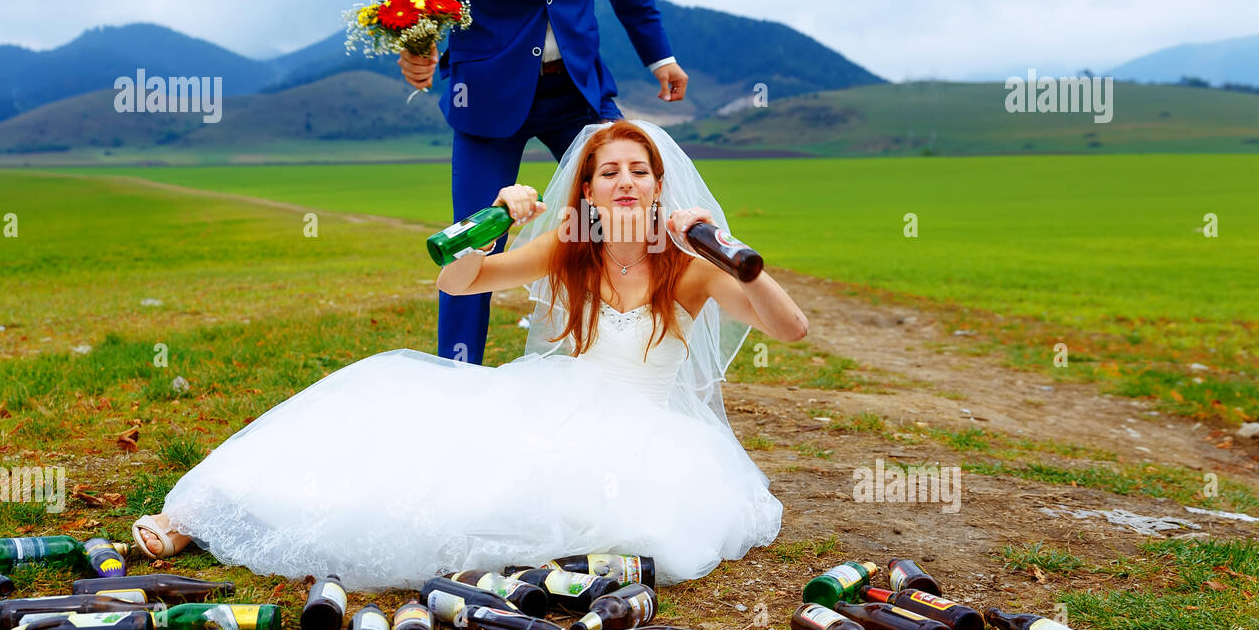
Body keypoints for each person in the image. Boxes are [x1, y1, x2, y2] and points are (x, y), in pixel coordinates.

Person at [132, 121, 807, 589]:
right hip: (550, 399)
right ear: (590, 192)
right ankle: (204, 511)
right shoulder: (567, 250)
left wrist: (730, 254)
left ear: (659, 187)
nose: (624, 181)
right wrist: (495, 225)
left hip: (642, 433)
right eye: (609, 172)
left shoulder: (693, 269)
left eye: (639, 171)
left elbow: (792, 328)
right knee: (396, 417)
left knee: (521, 508)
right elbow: (457, 282)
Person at [392, 0, 690, 366]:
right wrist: (414, 46)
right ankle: (457, 376)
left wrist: (659, 56)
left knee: (635, 217)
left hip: (579, 86)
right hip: (485, 93)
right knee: (473, 238)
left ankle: (638, 360)